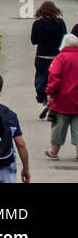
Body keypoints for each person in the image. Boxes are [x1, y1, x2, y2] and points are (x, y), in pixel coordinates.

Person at [45, 33, 78, 162]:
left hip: (62, 100)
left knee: (58, 127)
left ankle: (53, 152)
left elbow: (54, 76)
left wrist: (50, 93)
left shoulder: (60, 58)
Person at [31, 1, 68, 117]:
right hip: (56, 57)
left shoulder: (37, 24)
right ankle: (52, 104)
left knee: (41, 80)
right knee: (56, 81)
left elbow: (33, 41)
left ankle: (45, 101)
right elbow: (65, 38)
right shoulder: (60, 23)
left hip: (42, 56)